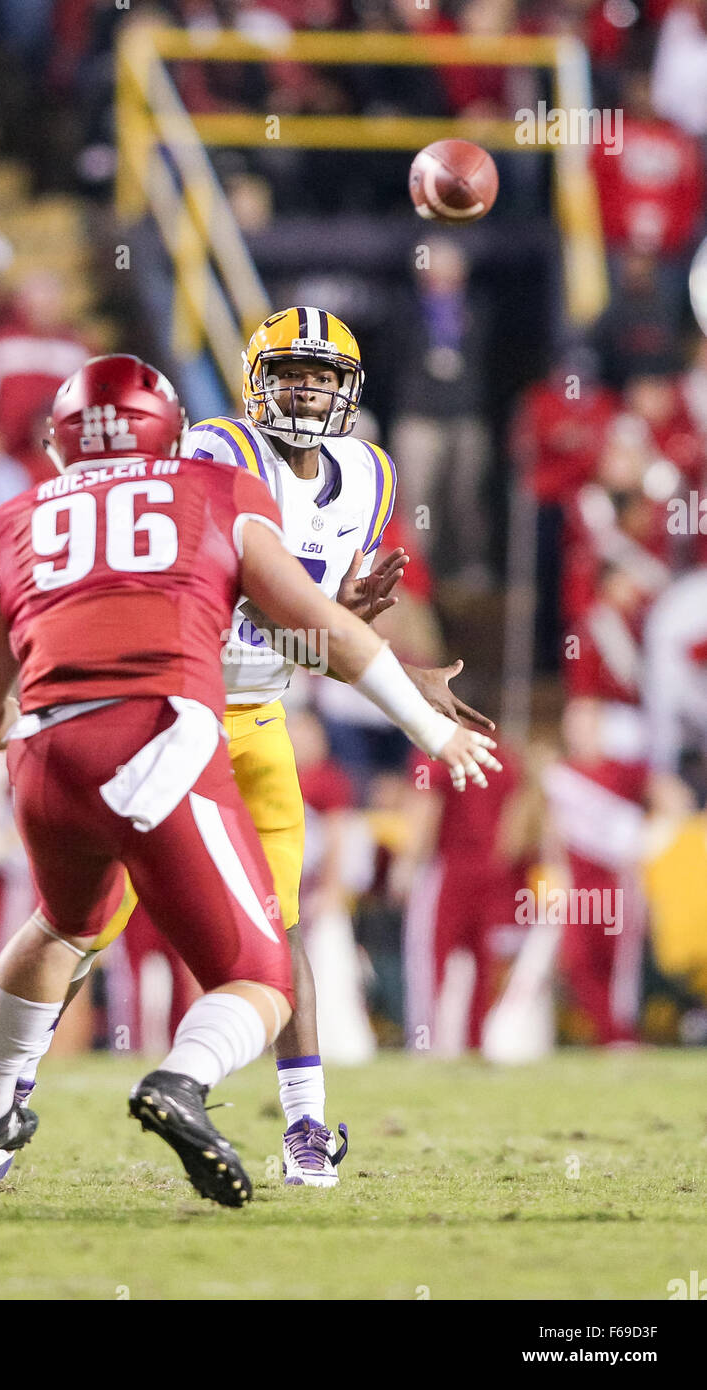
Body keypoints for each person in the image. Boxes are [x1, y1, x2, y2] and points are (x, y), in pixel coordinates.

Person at [0, 353, 501, 1207]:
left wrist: (54, 732)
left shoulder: (14, 518)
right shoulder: (212, 484)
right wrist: (419, 713)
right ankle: (182, 1082)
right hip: (173, 731)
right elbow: (322, 631)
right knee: (263, 967)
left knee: (64, 928)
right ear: (176, 435)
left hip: (53, 749)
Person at [184, 306, 494, 1184]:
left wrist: (359, 638)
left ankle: (306, 1128)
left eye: (323, 375)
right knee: (91, 922)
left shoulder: (369, 476)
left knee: (281, 930)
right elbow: (238, 614)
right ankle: (2, 1092)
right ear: (257, 384)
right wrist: (366, 658)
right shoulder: (222, 455)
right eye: (291, 373)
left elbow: (299, 639)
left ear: (348, 389)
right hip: (178, 711)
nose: (308, 388)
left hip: (259, 717)